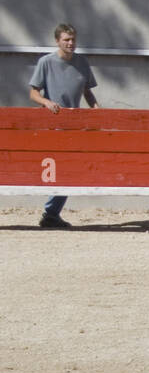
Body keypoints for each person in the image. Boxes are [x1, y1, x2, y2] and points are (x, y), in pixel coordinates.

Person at [29, 23, 99, 229]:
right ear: (57, 41)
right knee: (62, 168)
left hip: (74, 124)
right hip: (53, 123)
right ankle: (51, 213)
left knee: (70, 169)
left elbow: (88, 92)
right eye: (66, 40)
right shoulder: (46, 62)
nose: (70, 43)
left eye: (73, 40)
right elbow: (33, 93)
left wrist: (97, 111)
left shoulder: (82, 62)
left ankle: (51, 213)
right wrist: (46, 102)